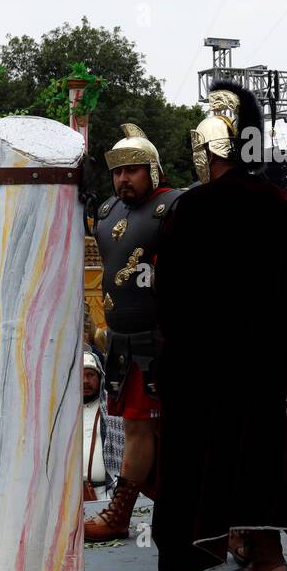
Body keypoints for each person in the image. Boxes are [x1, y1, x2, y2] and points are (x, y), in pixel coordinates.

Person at [152, 83, 287, 571]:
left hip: (216, 362)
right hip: (279, 363)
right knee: (266, 448)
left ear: (211, 144)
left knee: (222, 449)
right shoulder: (283, 205)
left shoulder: (195, 208)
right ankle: (254, 543)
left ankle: (265, 560)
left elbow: (174, 299)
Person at [83, 124, 184, 542]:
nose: (123, 179)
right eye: (117, 172)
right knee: (142, 428)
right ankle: (145, 514)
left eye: (133, 170)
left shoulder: (176, 208)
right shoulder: (107, 213)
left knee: (168, 429)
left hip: (166, 341)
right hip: (123, 342)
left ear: (153, 170)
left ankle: (125, 513)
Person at [80, 350, 123, 502]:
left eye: (90, 375)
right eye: (81, 375)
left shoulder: (112, 411)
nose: (85, 380)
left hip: (106, 495)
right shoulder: (64, 413)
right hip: (69, 498)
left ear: (100, 378)